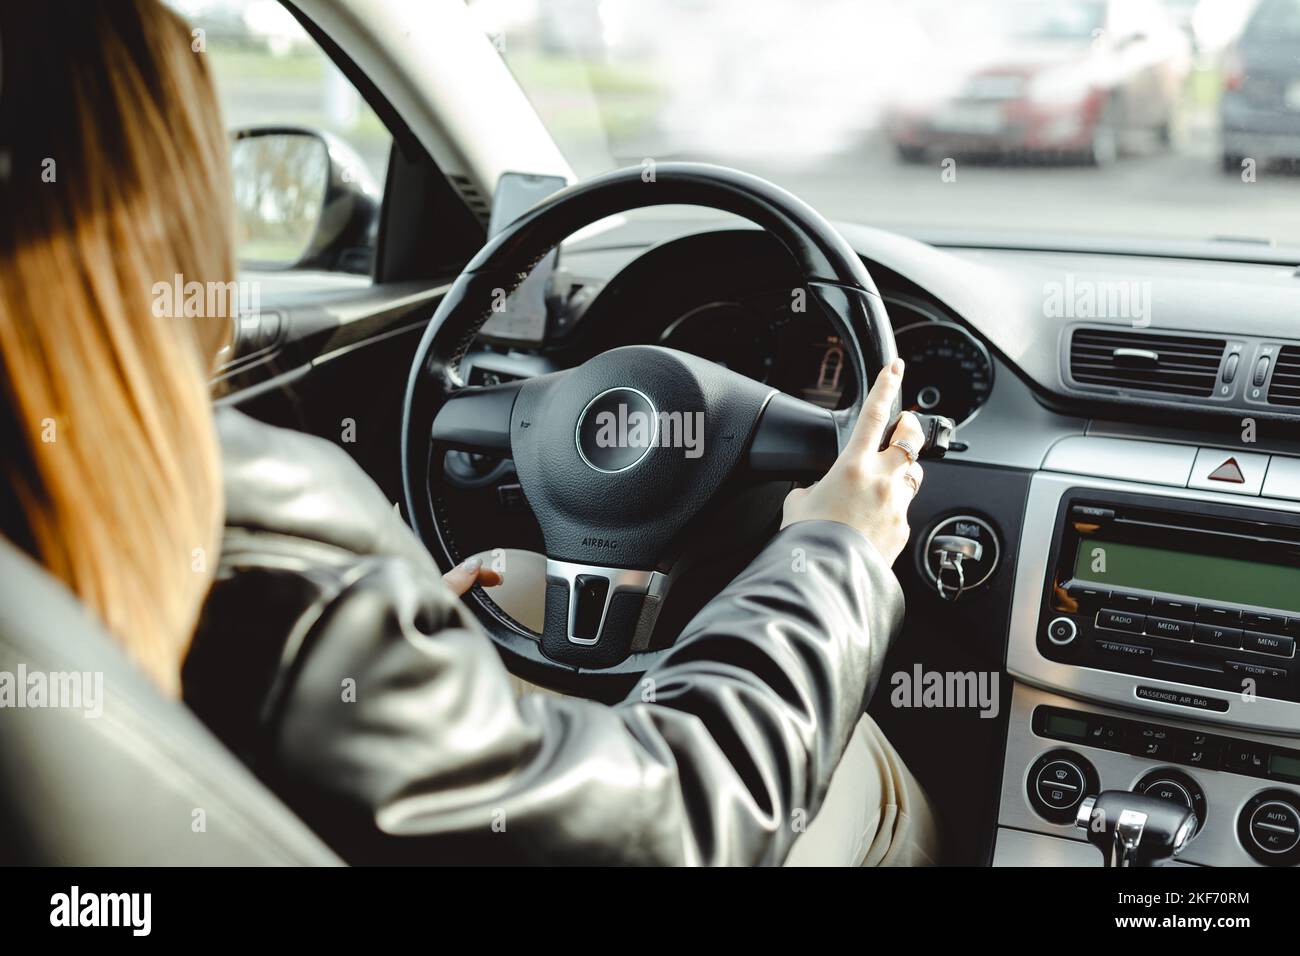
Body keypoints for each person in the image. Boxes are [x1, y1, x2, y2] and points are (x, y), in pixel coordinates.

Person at [0, 0, 938, 866]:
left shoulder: (108, 524)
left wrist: (393, 653)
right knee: (862, 770)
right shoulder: (253, 533)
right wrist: (833, 553)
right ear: (168, 223)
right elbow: (688, 816)